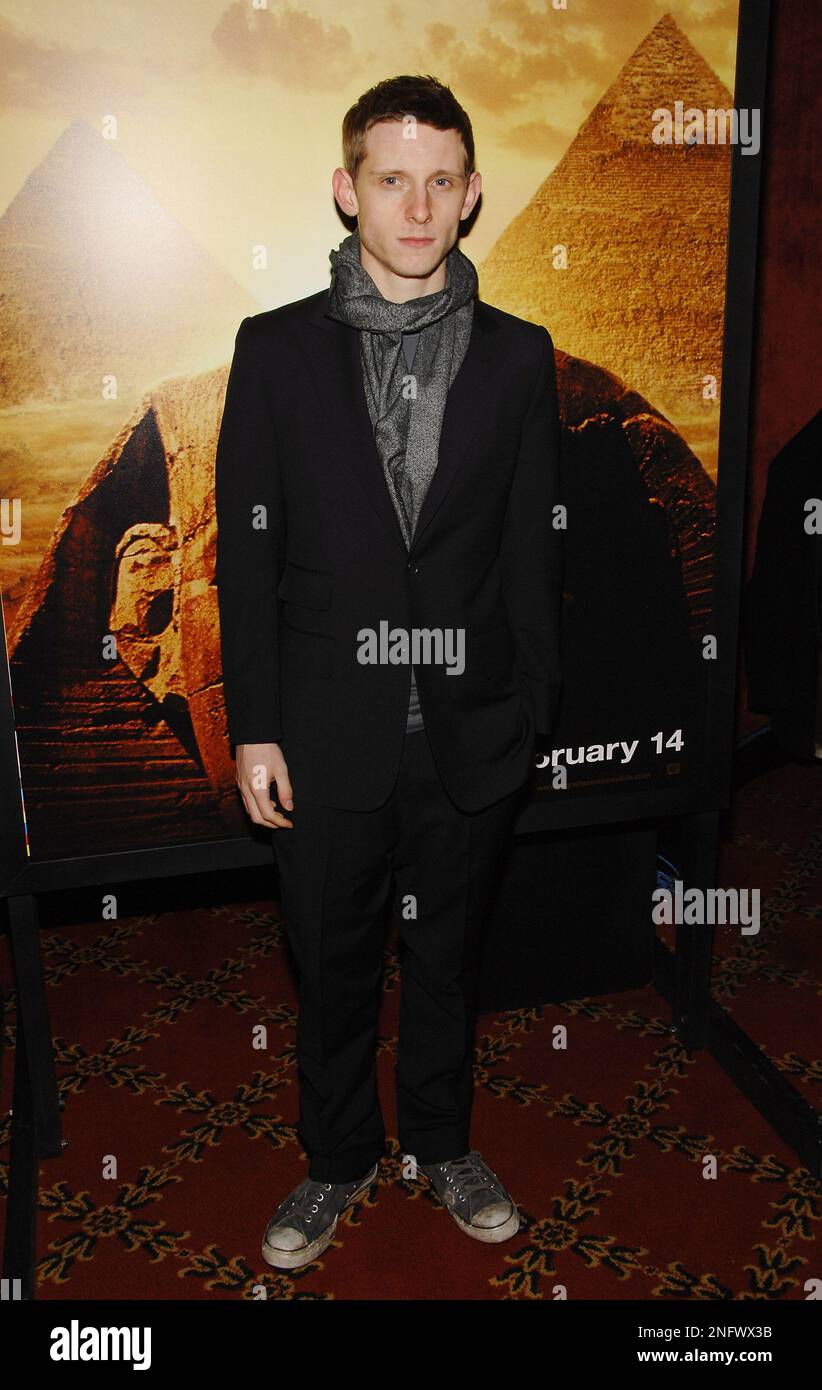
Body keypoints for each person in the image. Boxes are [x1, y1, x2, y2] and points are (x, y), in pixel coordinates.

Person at [215, 74, 563, 1270]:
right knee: (332, 966)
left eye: (440, 181)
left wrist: (529, 714)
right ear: (345, 188)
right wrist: (254, 725)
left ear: (471, 196)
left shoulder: (522, 360)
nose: (417, 206)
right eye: (390, 178)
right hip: (321, 729)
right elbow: (248, 553)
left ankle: (446, 1142)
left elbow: (529, 562)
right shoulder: (272, 352)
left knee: (452, 959)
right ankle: (335, 1157)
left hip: (468, 733)